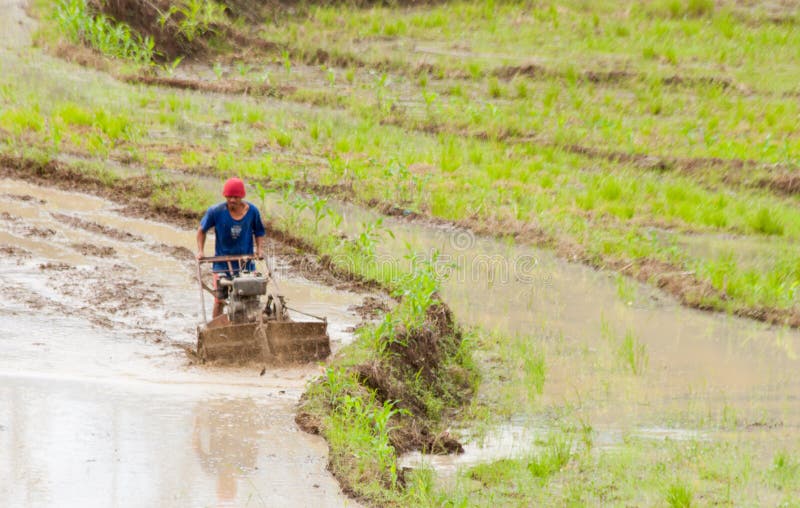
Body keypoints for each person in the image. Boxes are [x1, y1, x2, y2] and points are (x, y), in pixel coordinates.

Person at [196, 177, 266, 318]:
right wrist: (201, 251)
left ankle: (249, 323)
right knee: (219, 299)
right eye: (229, 197)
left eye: (236, 197)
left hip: (245, 262)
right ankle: (215, 329)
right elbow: (201, 230)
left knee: (251, 297)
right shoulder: (216, 211)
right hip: (222, 263)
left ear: (242, 196)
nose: (232, 200)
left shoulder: (252, 212)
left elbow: (259, 232)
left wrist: (259, 250)